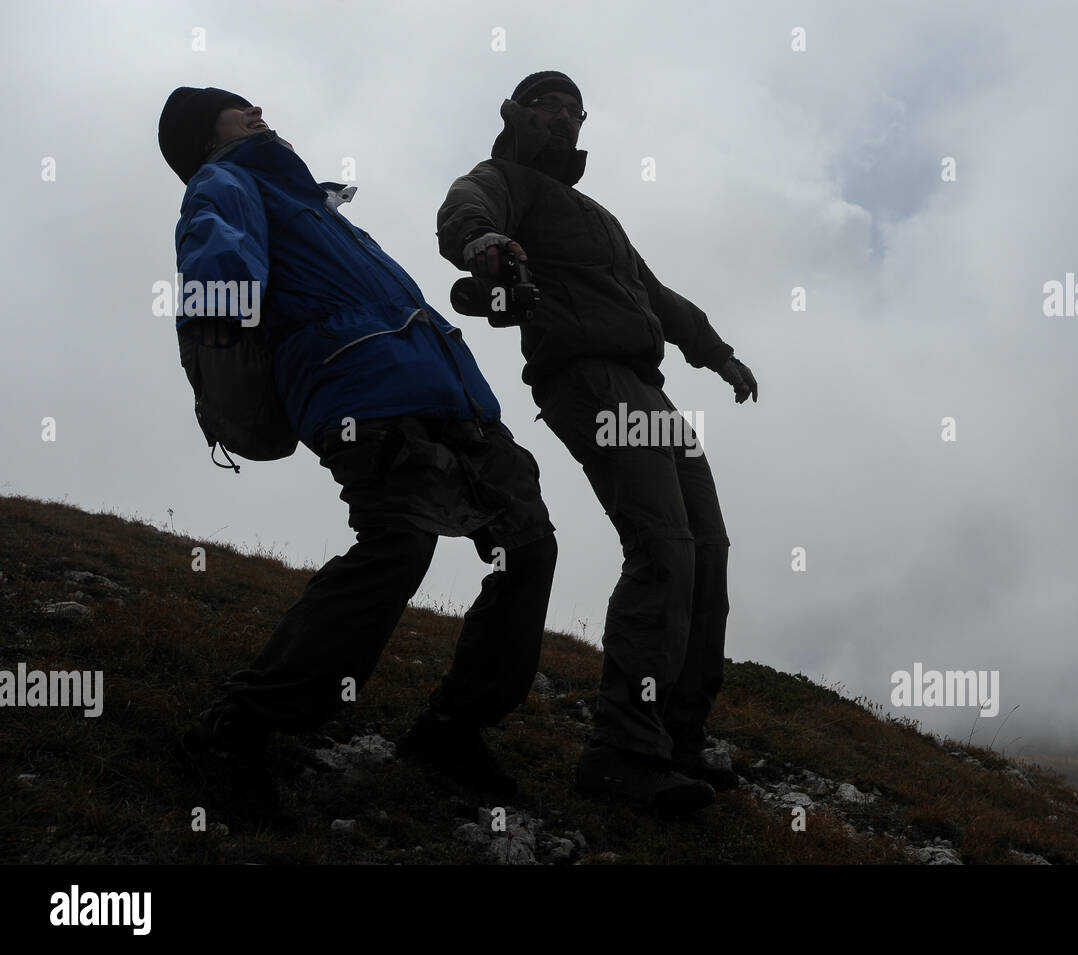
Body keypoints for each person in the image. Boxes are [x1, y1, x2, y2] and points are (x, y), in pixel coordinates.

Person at [158, 86, 557, 825]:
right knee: (397, 547)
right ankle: (236, 727)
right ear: (203, 135)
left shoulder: (317, 207)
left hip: (453, 395)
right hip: (359, 390)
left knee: (528, 547)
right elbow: (214, 243)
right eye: (234, 105)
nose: (255, 109)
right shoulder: (228, 180)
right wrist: (216, 307)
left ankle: (451, 730)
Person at [437, 72, 758, 817]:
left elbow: (658, 295)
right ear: (516, 113)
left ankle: (678, 733)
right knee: (664, 547)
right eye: (550, 103)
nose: (566, 116)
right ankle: (621, 749)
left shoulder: (596, 216)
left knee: (707, 548)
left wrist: (717, 352)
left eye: (575, 109)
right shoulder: (504, 179)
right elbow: (466, 211)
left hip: (647, 387)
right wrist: (483, 243)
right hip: (586, 377)